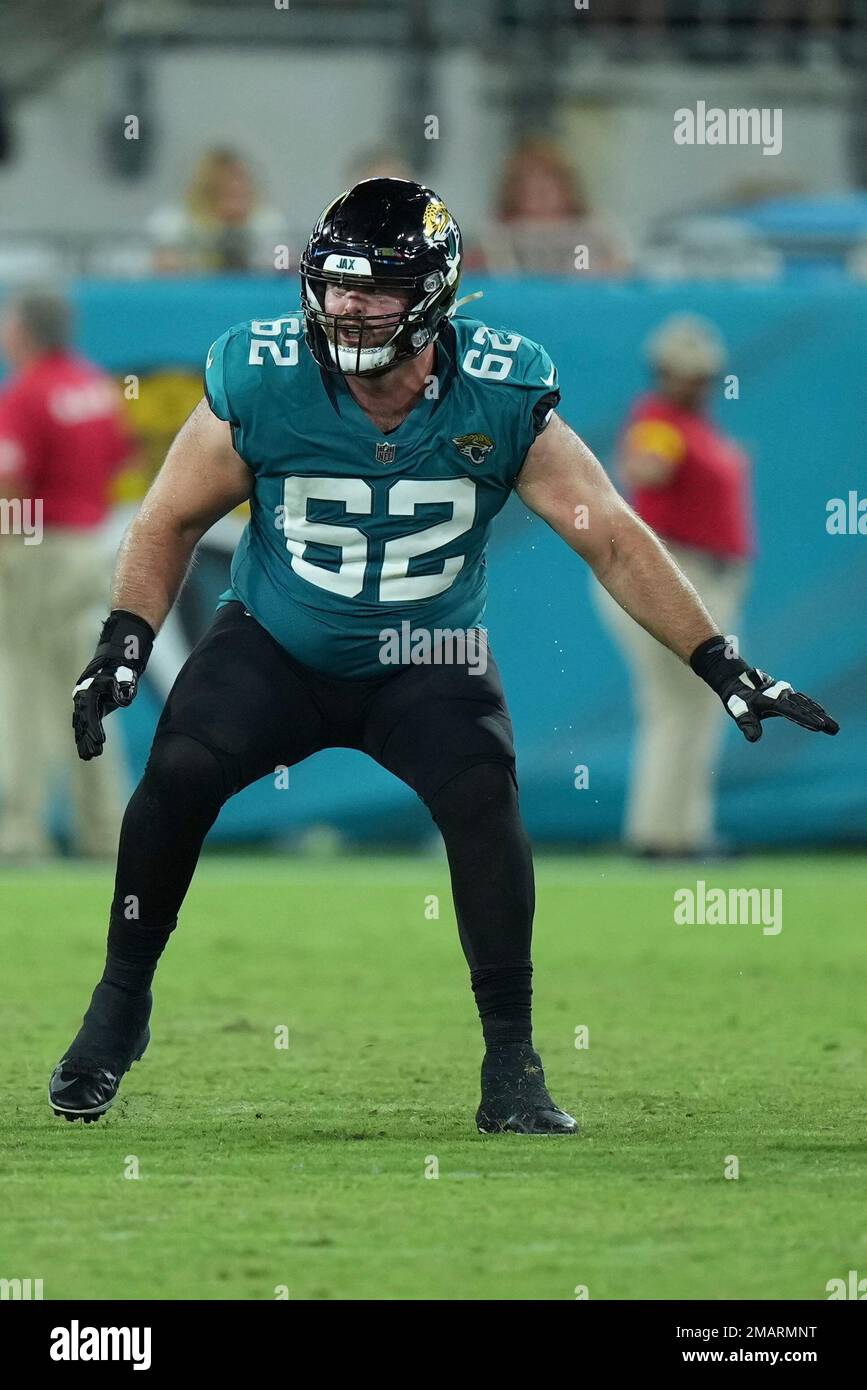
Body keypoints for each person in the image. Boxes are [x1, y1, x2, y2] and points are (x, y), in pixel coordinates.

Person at [49, 180, 837, 1132]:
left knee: (481, 796)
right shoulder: (263, 374)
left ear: (432, 296)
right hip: (275, 644)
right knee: (174, 773)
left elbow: (612, 536)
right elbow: (169, 516)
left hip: (428, 655)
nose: (345, 307)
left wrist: (718, 660)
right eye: (335, 285)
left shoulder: (500, 390)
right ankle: (118, 1004)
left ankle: (511, 1062)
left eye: (374, 289)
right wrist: (124, 641)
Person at [594, 314, 753, 856]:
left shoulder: (697, 426)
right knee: (685, 702)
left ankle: (675, 832)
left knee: (698, 704)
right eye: (683, 373)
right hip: (673, 577)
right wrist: (650, 460)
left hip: (705, 577)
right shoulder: (658, 419)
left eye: (702, 374)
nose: (695, 382)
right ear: (662, 372)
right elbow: (645, 467)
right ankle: (666, 835)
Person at [0, 289, 134, 858]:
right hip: (93, 547)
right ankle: (106, 830)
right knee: (90, 687)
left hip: (38, 546)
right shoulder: (94, 386)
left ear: (26, 330)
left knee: (21, 686)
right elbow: (119, 462)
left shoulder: (27, 391)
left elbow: (10, 479)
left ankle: (19, 831)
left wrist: (10, 539)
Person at [484, 135, 632, 275]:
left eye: (547, 187)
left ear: (568, 189)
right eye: (530, 188)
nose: (540, 196)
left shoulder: (597, 231)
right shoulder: (495, 235)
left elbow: (621, 269)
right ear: (513, 193)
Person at [147, 148, 287, 274]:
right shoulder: (173, 222)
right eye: (227, 192)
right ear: (205, 193)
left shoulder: (268, 223)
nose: (236, 202)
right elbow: (137, 261)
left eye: (241, 192)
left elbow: (285, 262)